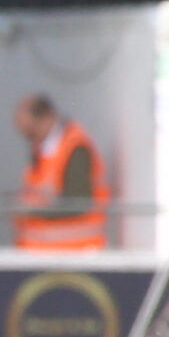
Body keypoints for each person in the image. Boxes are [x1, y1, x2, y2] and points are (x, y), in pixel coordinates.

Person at [13, 94, 110, 251]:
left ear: (46, 118)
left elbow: (78, 203)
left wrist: (31, 211)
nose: (31, 140)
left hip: (73, 252)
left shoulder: (74, 148)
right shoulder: (43, 154)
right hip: (45, 254)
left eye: (32, 132)